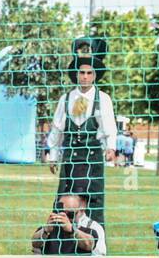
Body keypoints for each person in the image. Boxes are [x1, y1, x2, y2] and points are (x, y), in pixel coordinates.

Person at [46, 37, 116, 234]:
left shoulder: (102, 99)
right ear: (76, 74)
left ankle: (94, 246)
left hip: (92, 159)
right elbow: (57, 128)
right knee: (65, 200)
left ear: (94, 75)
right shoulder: (66, 99)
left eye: (89, 73)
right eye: (81, 72)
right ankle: (59, 245)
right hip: (70, 159)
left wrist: (110, 147)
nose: (85, 77)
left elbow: (109, 126)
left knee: (92, 201)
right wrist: (53, 154)